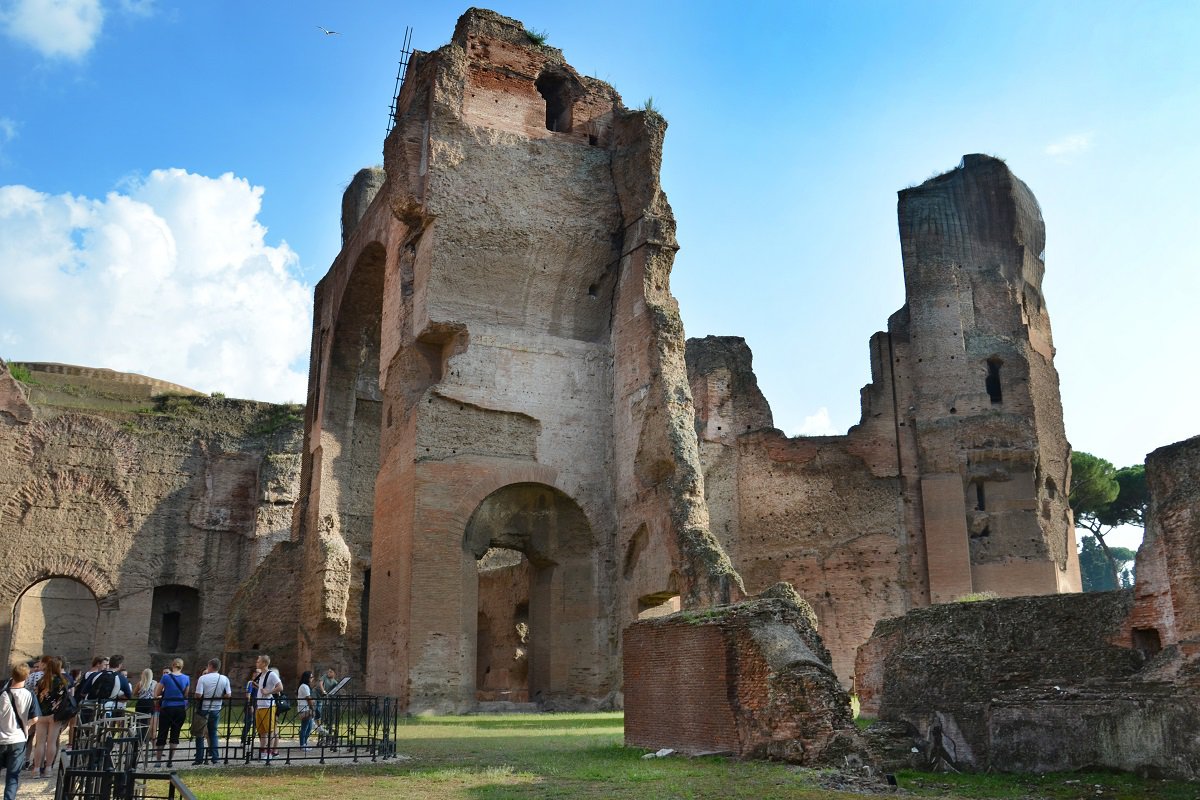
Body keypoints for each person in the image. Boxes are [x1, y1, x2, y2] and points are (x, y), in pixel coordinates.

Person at [1, 663, 41, 800]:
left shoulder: (3, 694)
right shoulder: (29, 695)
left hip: (1, 737)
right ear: (27, 676)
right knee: (12, 775)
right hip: (18, 739)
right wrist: (26, 725)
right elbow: (35, 718)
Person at [29, 657, 67, 778]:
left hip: (41, 714)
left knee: (39, 743)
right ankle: (48, 769)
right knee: (51, 742)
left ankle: (36, 769)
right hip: (55, 715)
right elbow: (64, 700)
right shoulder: (61, 681)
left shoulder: (41, 681)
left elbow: (36, 696)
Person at [192, 659, 230, 766]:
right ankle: (215, 757)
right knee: (213, 733)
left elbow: (198, 695)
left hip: (204, 708)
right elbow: (228, 695)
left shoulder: (203, 678)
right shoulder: (224, 678)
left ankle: (199, 758)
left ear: (210, 666)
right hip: (216, 708)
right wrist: (218, 697)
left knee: (200, 734)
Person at [153, 659, 189, 766]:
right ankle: (170, 761)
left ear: (172, 665)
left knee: (162, 733)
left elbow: (157, 693)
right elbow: (186, 694)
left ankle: (158, 761)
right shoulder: (186, 678)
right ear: (182, 667)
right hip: (180, 708)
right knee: (175, 734)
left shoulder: (166, 677)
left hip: (167, 708)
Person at [252, 655, 282, 762]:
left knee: (270, 731)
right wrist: (258, 687)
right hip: (260, 706)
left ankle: (269, 753)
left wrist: (268, 692)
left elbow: (280, 687)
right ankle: (263, 753)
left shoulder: (271, 674)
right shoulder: (261, 675)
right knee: (262, 732)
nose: (257, 662)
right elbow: (262, 688)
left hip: (268, 706)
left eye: (258, 661)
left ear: (264, 663)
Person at [133, 669, 158, 743]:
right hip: (150, 703)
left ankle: (139, 738)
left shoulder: (140, 683)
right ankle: (146, 739)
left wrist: (141, 694)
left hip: (141, 703)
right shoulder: (155, 683)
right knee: (148, 722)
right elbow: (155, 694)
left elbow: (134, 693)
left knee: (139, 721)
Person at [296, 672, 315, 751]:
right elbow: (308, 698)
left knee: (309, 727)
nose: (312, 679)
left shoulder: (305, 686)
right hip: (305, 708)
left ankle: (305, 743)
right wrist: (312, 708)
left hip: (306, 708)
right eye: (311, 677)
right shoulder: (304, 686)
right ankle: (302, 745)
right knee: (305, 727)